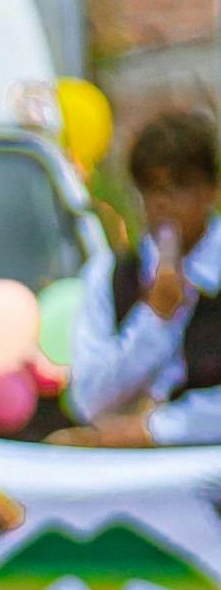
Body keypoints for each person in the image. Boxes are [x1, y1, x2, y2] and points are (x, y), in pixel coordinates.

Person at [68, 105, 221, 449]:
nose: (165, 203)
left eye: (180, 186)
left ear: (212, 190)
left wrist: (157, 428)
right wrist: (153, 320)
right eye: (153, 189)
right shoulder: (109, 274)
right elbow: (88, 399)